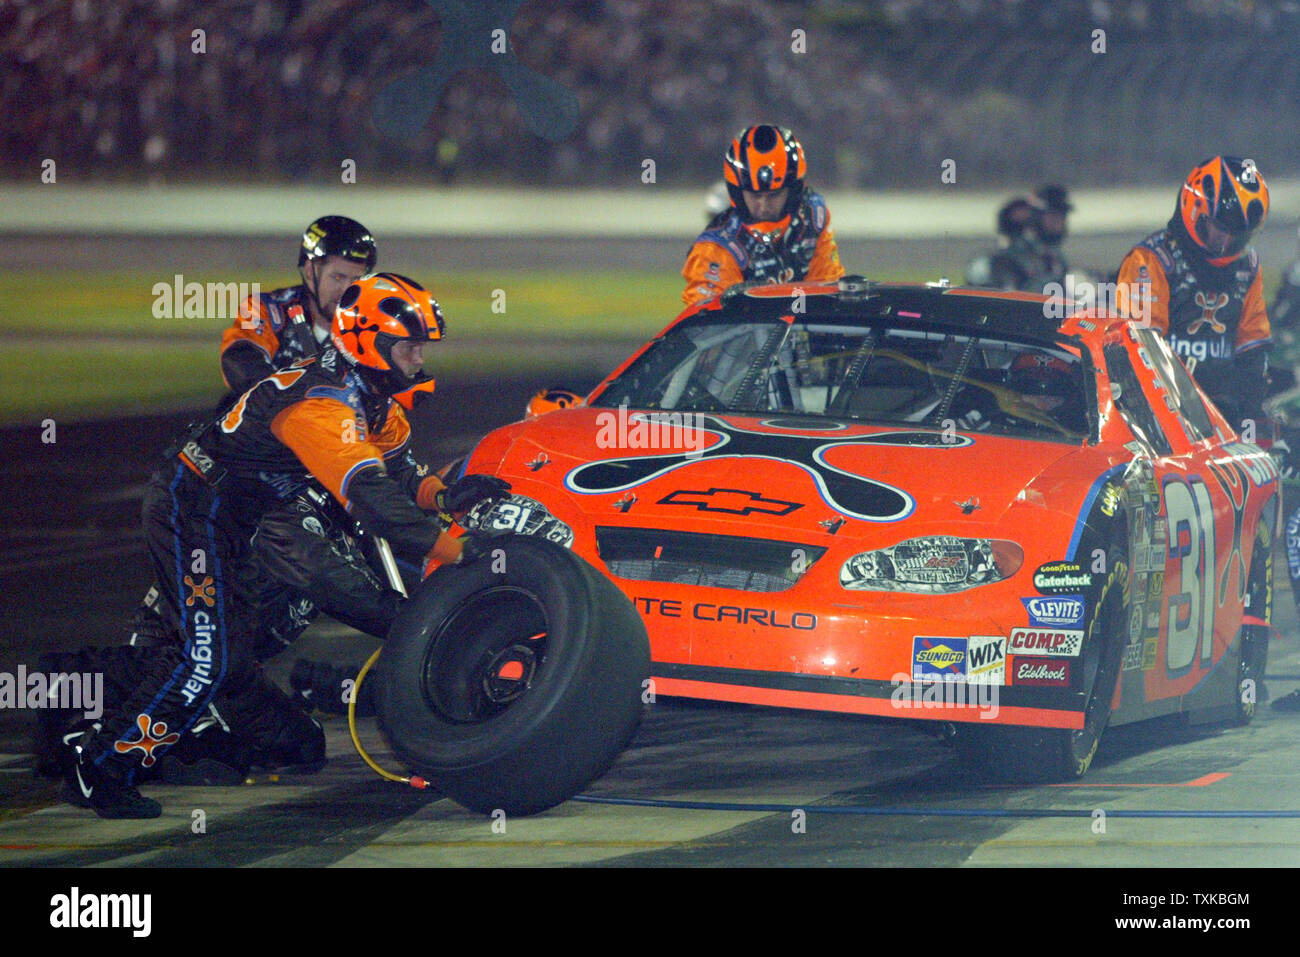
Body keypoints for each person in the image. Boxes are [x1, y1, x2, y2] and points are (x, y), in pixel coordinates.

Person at [62, 273, 510, 817]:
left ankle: (144, 724)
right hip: (192, 509)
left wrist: (445, 496)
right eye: (409, 344)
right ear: (369, 341)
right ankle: (100, 767)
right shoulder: (321, 407)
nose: (420, 356)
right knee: (210, 658)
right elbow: (372, 502)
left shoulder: (374, 401)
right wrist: (458, 552)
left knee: (222, 656)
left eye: (423, 344)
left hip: (237, 518)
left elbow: (399, 474)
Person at [37, 218, 396, 786]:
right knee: (207, 655)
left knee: (278, 724)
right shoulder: (273, 313)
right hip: (245, 485)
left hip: (286, 496)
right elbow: (240, 361)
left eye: (359, 278)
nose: (347, 289)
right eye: (338, 276)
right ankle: (87, 707)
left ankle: (176, 714)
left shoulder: (364, 335)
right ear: (308, 268)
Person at [1115, 156, 1272, 435]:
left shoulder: (1248, 267)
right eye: (1221, 231)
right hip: (1163, 414)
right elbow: (1138, 354)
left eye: (1238, 236)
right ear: (1194, 209)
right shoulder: (1150, 261)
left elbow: (1253, 348)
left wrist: (1251, 413)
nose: (1228, 244)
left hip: (1226, 411)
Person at [682, 124, 844, 307]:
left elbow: (828, 291)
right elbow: (713, 326)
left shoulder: (814, 215)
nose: (764, 206)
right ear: (737, 192)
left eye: (774, 195)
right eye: (754, 195)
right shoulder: (715, 249)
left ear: (793, 191)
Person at [967, 185, 1073, 292]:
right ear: (1036, 216)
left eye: (1062, 216)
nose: (1058, 222)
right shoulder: (1008, 257)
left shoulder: (1058, 259)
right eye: (1052, 215)